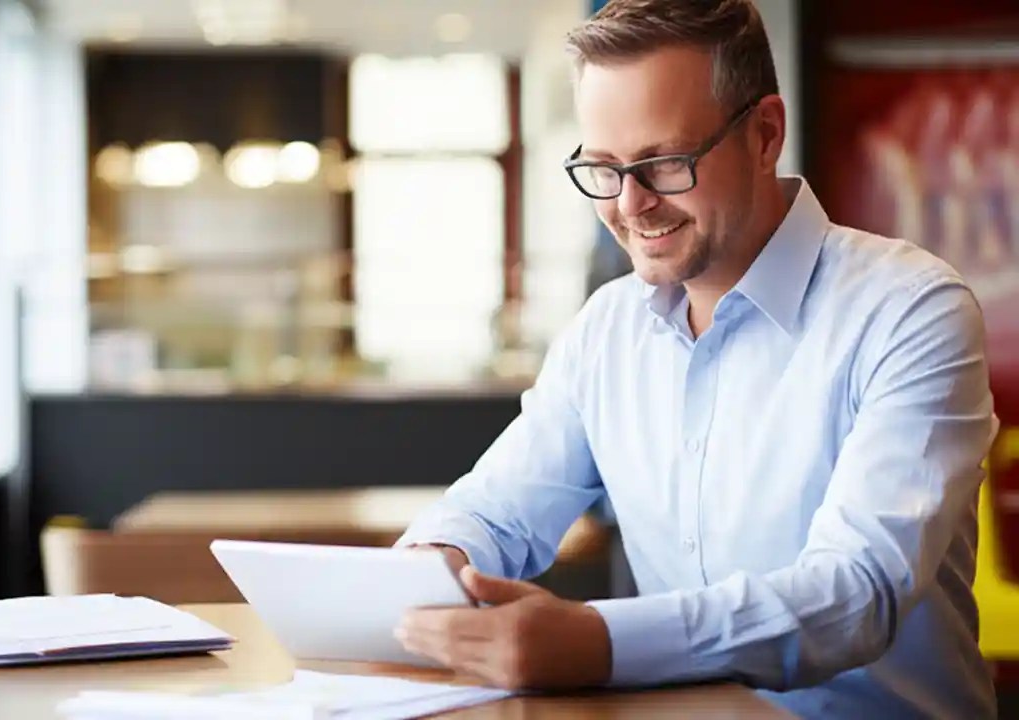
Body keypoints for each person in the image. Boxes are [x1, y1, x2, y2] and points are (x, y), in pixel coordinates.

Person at [392, 1, 998, 718]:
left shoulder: (909, 309)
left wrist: (598, 642)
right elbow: (494, 515)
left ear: (766, 133)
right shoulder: (606, 332)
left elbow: (855, 592)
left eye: (664, 164)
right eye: (604, 169)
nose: (630, 204)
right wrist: (429, 572)